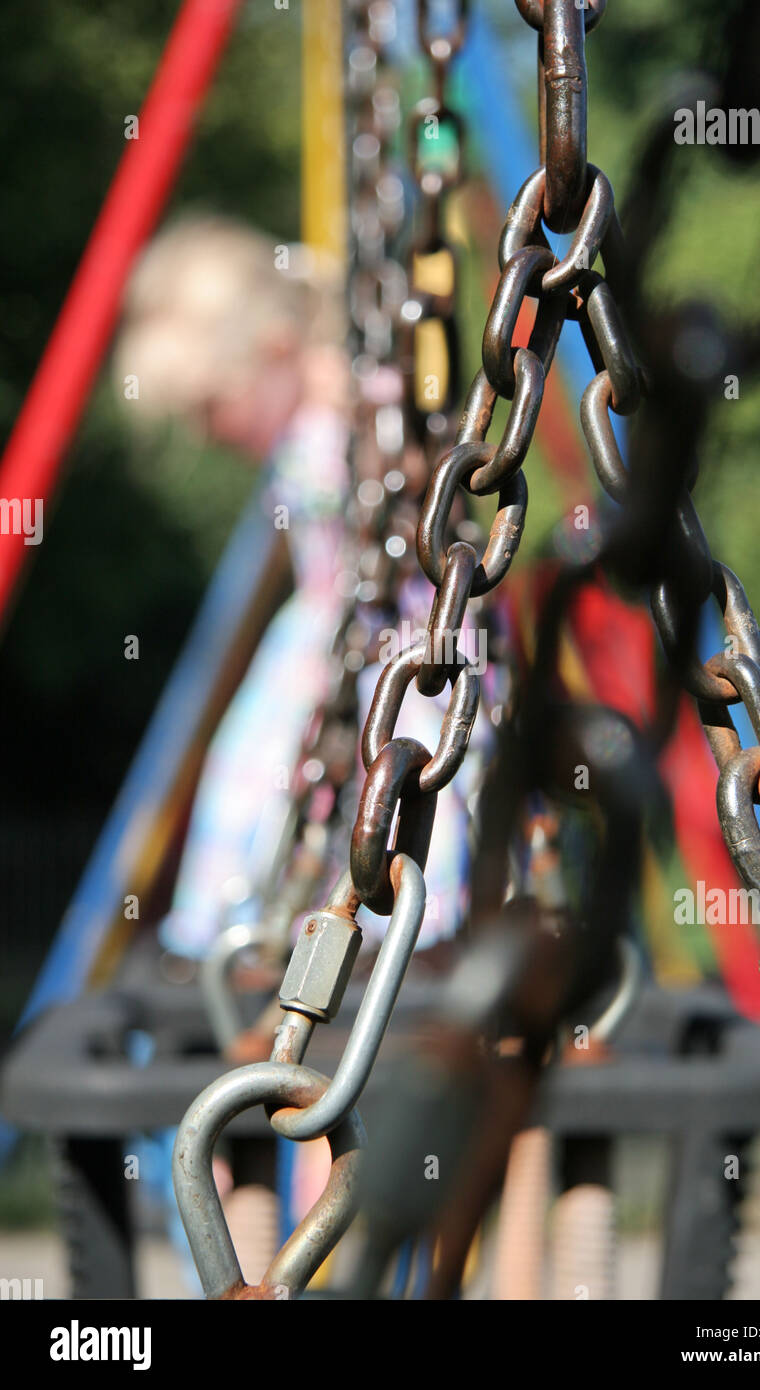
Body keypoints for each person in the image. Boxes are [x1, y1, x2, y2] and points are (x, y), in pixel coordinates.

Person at [113, 212, 489, 1287]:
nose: (209, 426)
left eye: (210, 401)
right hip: (328, 672)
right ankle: (248, 1248)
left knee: (358, 980)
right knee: (264, 968)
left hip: (393, 671)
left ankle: (335, 1238)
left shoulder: (362, 407)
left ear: (271, 351)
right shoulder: (319, 414)